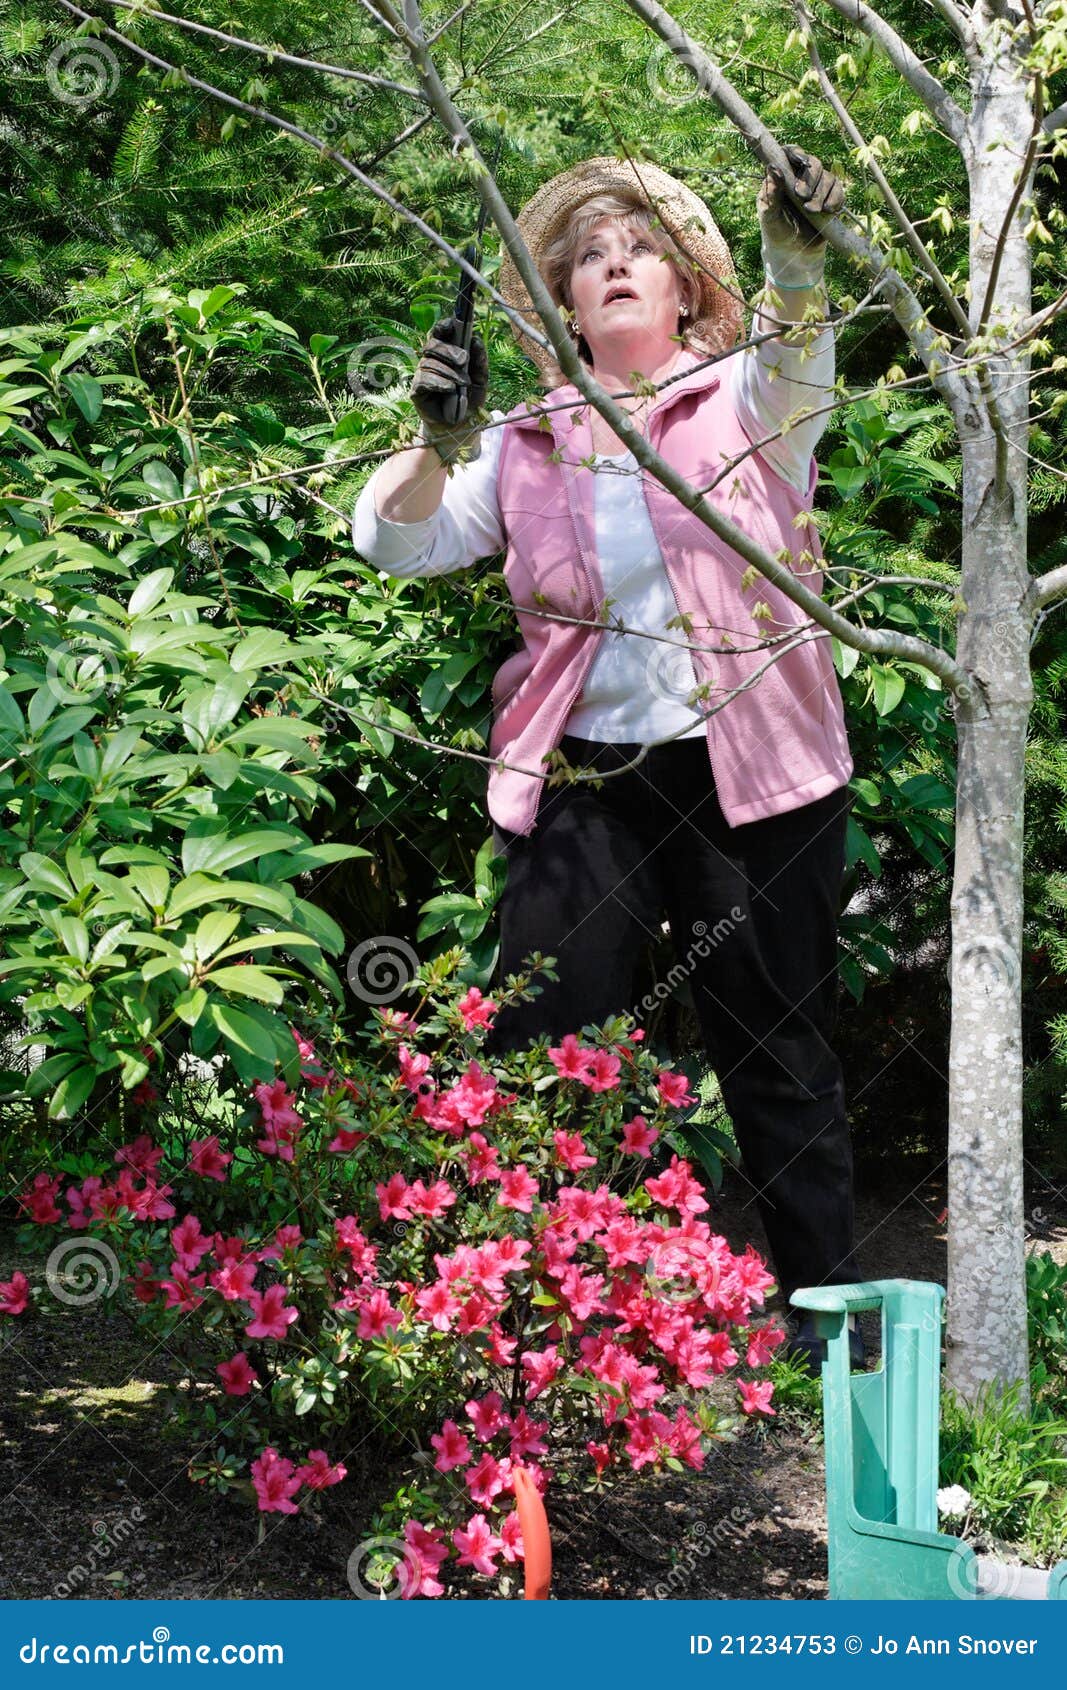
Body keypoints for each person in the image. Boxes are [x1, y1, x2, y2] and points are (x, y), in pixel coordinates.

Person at [351, 151, 866, 1372]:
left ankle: (826, 1335)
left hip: (754, 775)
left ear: (684, 291)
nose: (614, 263)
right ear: (566, 309)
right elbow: (391, 541)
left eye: (636, 247)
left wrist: (795, 254)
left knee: (774, 1041)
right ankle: (551, 1326)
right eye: (587, 256)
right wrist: (436, 440)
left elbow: (801, 349)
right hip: (591, 783)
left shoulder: (748, 398)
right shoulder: (527, 441)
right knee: (550, 1033)